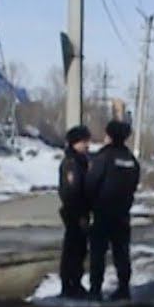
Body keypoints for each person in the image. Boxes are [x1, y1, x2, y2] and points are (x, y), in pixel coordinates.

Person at [85, 120, 141, 302]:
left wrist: (88, 206)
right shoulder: (131, 159)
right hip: (123, 214)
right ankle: (124, 289)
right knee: (122, 253)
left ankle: (95, 290)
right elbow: (134, 184)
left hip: (103, 213)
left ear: (108, 135)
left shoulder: (103, 157)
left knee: (98, 253)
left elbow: (91, 183)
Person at [58, 125, 92, 298]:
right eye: (84, 142)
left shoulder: (81, 160)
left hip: (81, 212)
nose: (87, 145)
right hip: (75, 212)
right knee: (72, 249)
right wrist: (78, 213)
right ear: (75, 143)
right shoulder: (71, 163)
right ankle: (68, 284)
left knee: (79, 249)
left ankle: (75, 282)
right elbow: (71, 190)